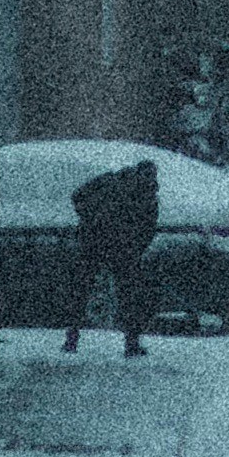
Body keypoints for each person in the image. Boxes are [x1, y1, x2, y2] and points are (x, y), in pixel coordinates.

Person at [63, 151, 163, 359]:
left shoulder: (111, 180)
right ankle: (131, 343)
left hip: (93, 243)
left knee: (82, 290)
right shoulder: (147, 197)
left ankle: (71, 339)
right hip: (121, 250)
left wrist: (89, 219)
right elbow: (148, 229)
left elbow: (77, 196)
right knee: (128, 296)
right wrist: (135, 248)